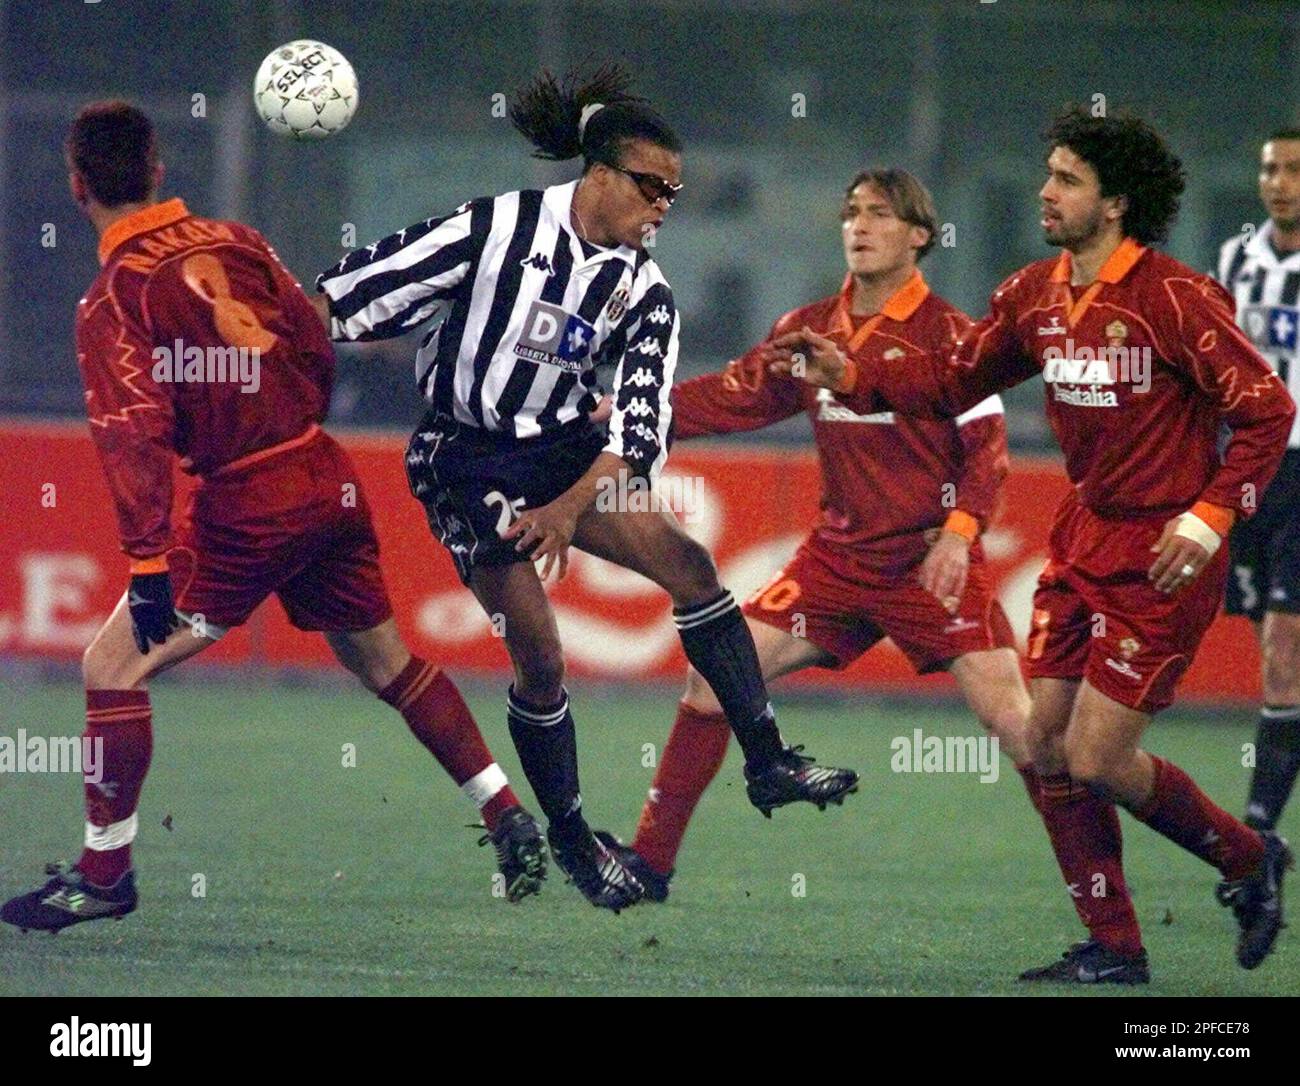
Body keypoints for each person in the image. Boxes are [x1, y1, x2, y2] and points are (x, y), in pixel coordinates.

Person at [767, 107, 1297, 981]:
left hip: (1163, 555)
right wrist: (855, 376)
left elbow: (1266, 409)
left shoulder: (1172, 296)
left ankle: (1248, 859)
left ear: (1116, 203)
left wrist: (1211, 515)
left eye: (1067, 181)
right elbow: (948, 381)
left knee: (1096, 757)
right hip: (1082, 538)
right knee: (1042, 747)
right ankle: (1117, 948)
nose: (1046, 193)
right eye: (1048, 174)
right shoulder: (1031, 295)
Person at [314, 65, 858, 913]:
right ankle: (572, 841)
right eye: (651, 187)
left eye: (675, 194)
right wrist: (262, 343)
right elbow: (352, 297)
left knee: (690, 565)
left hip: (567, 453)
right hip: (466, 460)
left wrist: (567, 510)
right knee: (541, 659)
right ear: (599, 172)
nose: (663, 206)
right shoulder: (493, 228)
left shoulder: (644, 291)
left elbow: (637, 431)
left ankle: (766, 759)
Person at [1, 101, 546, 934]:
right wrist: (290, 418)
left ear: (77, 188)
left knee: (109, 669)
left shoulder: (112, 299)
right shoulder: (240, 242)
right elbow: (312, 340)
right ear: (156, 172)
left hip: (247, 502)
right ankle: (504, 807)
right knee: (386, 662)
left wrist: (149, 563)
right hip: (323, 473)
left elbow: (131, 436)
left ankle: (105, 873)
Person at [595, 168, 1033, 900]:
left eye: (880, 215)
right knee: (712, 676)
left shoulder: (956, 338)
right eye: (851, 212)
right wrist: (625, 410)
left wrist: (959, 532)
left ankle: (1113, 923)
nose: (859, 226)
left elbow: (987, 451)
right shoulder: (809, 328)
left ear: (920, 236)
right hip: (836, 563)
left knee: (1022, 731)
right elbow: (733, 397)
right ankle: (649, 863)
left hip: (928, 562)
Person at [1216, 127, 1300, 843]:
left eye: (1295, 170)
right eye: (1270, 168)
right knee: (1268, 645)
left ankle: (1257, 831)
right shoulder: (1235, 259)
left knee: (1283, 653)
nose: (1279, 182)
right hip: (1248, 471)